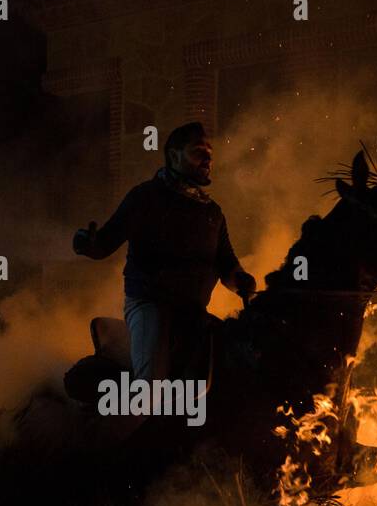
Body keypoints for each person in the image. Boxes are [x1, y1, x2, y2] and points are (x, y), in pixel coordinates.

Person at [72, 122, 255, 383]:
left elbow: (226, 265)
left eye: (210, 154)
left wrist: (244, 282)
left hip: (193, 313)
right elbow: (103, 244)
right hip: (150, 305)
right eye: (198, 151)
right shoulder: (146, 197)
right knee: (151, 387)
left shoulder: (213, 213)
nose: (207, 158)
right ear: (173, 156)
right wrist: (86, 243)